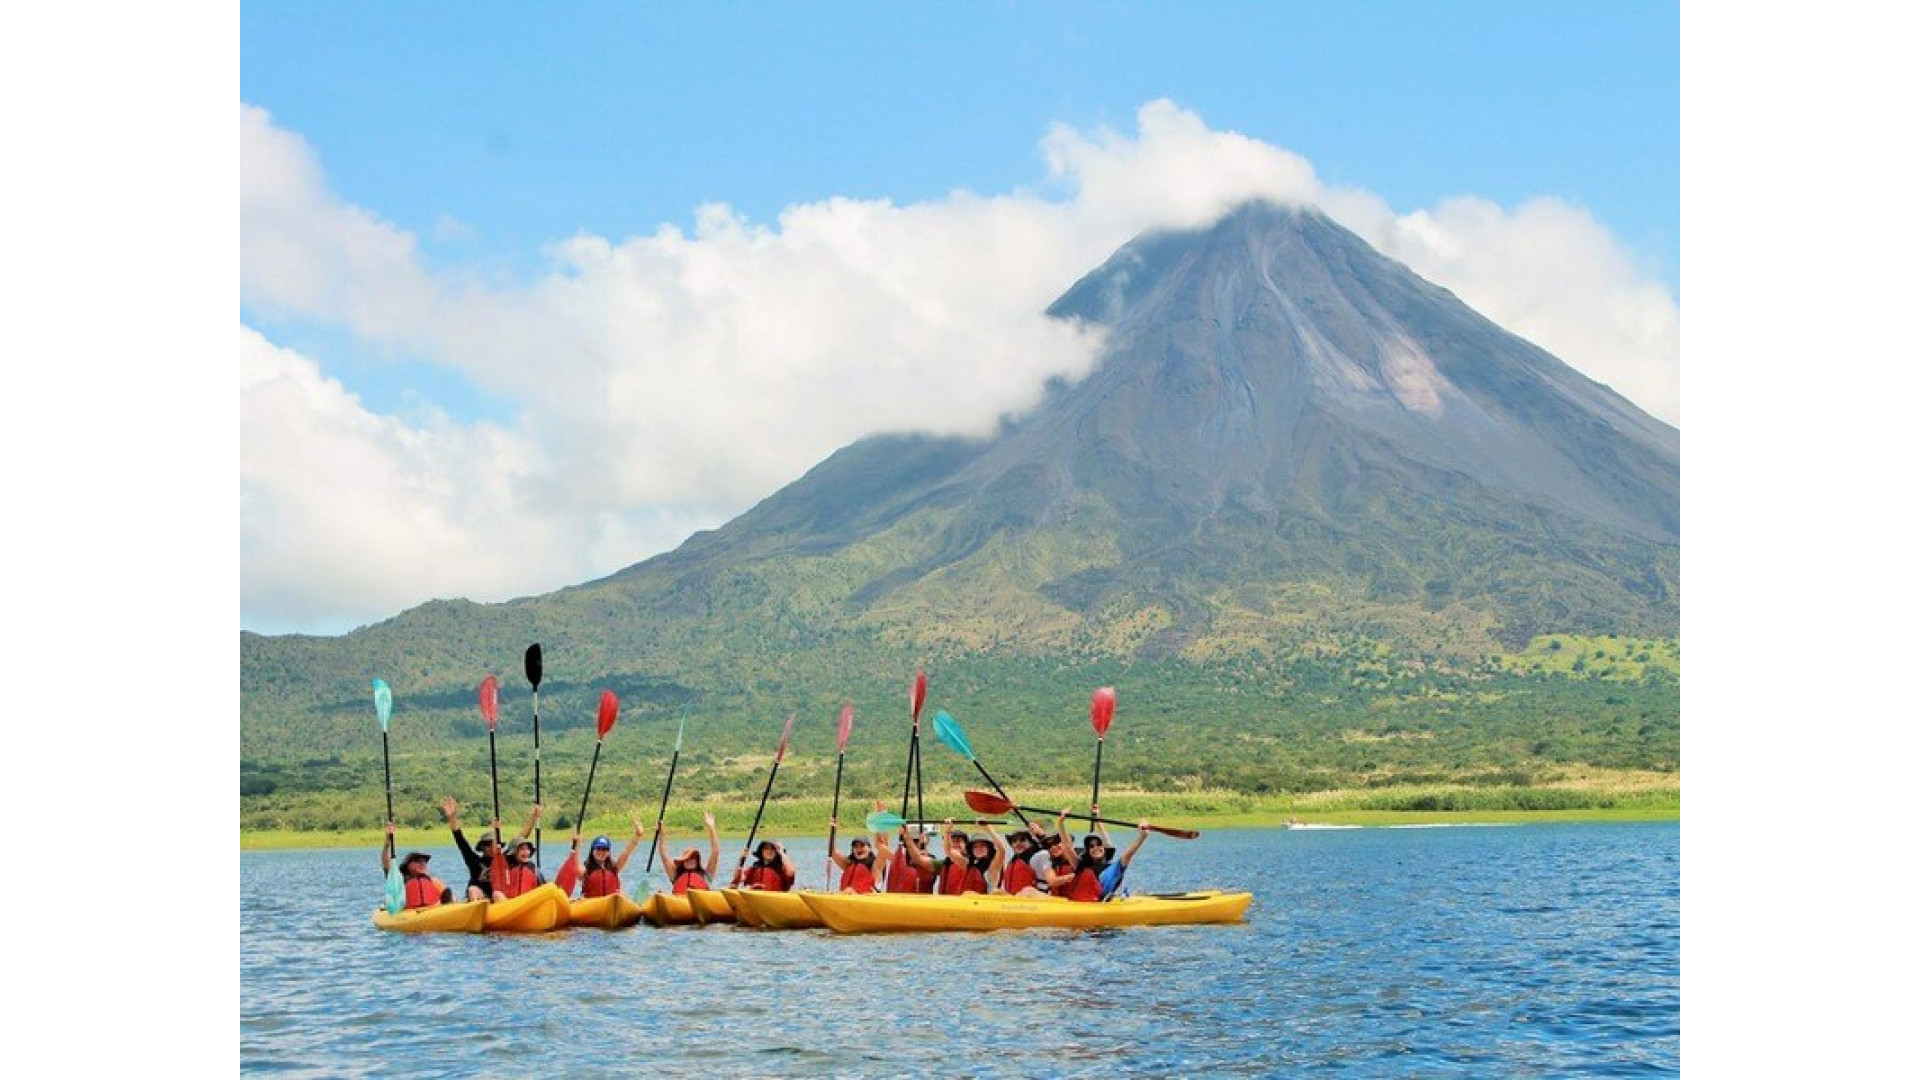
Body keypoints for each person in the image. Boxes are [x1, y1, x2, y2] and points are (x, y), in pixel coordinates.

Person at [442, 797, 537, 902]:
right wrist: (451, 817)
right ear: (482, 847)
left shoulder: (504, 859)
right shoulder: (475, 861)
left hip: (499, 899)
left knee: (498, 894)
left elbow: (521, 839)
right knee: (473, 889)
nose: (491, 847)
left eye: (494, 843)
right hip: (481, 899)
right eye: (487, 844)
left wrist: (534, 816)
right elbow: (460, 841)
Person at [572, 812, 647, 899]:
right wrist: (577, 845)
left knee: (622, 893)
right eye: (598, 848)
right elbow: (575, 866)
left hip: (612, 905)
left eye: (605, 849)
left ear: (609, 852)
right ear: (592, 850)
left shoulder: (614, 867)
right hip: (593, 906)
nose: (601, 851)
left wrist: (637, 835)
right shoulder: (586, 870)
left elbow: (626, 853)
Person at [380, 823, 452, 909]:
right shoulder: (399, 880)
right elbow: (386, 863)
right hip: (408, 914)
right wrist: (388, 842)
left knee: (447, 893)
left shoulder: (434, 882)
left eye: (424, 861)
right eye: (417, 861)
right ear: (408, 865)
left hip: (431, 912)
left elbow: (449, 898)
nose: (422, 863)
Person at [657, 810, 721, 894]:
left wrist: (711, 828)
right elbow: (664, 855)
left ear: (697, 861)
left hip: (699, 904)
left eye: (693, 858)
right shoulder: (675, 875)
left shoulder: (706, 875)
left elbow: (715, 852)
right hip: (680, 903)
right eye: (687, 859)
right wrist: (661, 834)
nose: (690, 860)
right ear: (682, 862)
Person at [826, 818, 880, 893]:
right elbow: (832, 851)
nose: (859, 849)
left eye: (862, 845)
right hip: (846, 897)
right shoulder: (848, 864)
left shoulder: (875, 866)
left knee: (849, 890)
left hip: (864, 900)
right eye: (855, 846)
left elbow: (882, 849)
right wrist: (833, 831)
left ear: (870, 848)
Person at [999, 827, 1048, 897]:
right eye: (1014, 841)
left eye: (1023, 839)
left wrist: (1042, 835)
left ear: (1031, 843)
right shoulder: (1013, 861)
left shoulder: (1036, 856)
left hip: (1031, 902)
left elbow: (1048, 850)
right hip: (1012, 902)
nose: (1018, 843)